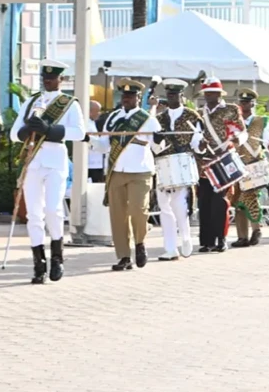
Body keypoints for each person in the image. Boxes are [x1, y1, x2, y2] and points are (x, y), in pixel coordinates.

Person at [10, 60, 86, 284]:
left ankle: (57, 258)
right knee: (34, 214)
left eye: (52, 78)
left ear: (61, 79)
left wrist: (50, 130)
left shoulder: (69, 103)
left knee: (53, 209)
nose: (48, 82)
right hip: (33, 162)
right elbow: (14, 133)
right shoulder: (32, 101)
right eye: (45, 78)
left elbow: (80, 132)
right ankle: (38, 264)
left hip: (55, 161)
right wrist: (27, 130)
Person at [93, 79, 160, 271]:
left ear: (139, 98)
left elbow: (157, 147)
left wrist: (158, 138)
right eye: (124, 96)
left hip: (140, 171)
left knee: (139, 211)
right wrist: (89, 140)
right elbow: (104, 146)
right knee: (118, 216)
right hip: (117, 171)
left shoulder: (148, 119)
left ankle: (140, 243)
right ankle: (123, 256)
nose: (127, 99)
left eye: (131, 96)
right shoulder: (113, 118)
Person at [151, 79, 203, 261]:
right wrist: (157, 142)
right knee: (164, 207)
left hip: (182, 164)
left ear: (182, 96)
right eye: (169, 94)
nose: (171, 97)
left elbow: (197, 143)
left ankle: (186, 237)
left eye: (175, 94)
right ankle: (170, 248)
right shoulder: (159, 119)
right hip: (164, 164)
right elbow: (153, 144)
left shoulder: (192, 116)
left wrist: (201, 146)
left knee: (180, 205)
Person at [195, 76, 247, 253]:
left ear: (219, 93)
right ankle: (206, 241)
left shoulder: (231, 109)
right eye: (206, 92)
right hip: (204, 163)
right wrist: (199, 147)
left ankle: (221, 238)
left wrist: (238, 138)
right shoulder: (199, 113)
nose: (209, 95)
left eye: (212, 92)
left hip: (224, 161)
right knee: (204, 203)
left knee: (220, 202)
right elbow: (195, 137)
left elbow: (242, 131)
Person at [230, 89, 269, 247]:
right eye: (242, 102)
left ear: (253, 103)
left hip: (254, 164)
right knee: (238, 201)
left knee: (251, 197)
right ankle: (242, 237)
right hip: (237, 164)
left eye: (248, 102)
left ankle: (256, 229)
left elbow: (267, 141)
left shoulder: (262, 121)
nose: (245, 105)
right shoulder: (234, 122)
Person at [86, 100, 105, 182]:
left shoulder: (92, 122)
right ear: (90, 112)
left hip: (96, 161)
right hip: (90, 162)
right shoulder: (86, 123)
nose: (99, 113)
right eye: (98, 111)